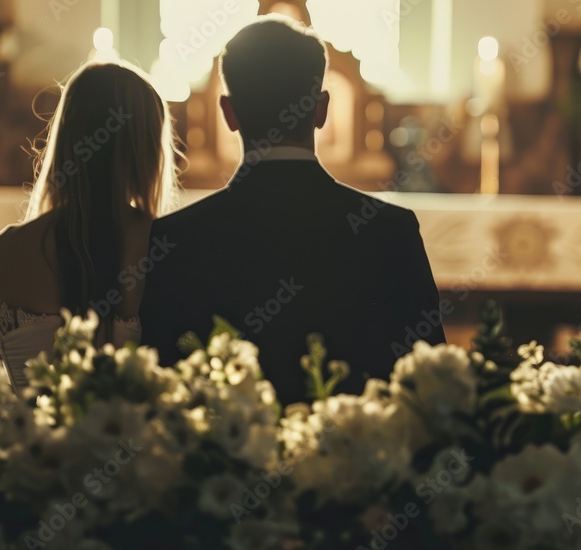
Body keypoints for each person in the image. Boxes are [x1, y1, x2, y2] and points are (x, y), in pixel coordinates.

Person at [139, 15, 445, 406]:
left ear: (228, 114)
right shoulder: (390, 231)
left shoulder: (175, 238)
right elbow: (430, 382)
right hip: (357, 461)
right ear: (322, 110)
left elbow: (161, 386)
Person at [0, 61, 178, 390]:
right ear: (145, 149)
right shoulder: (159, 242)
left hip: (28, 440)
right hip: (130, 439)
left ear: (67, 137)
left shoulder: (5, 249)